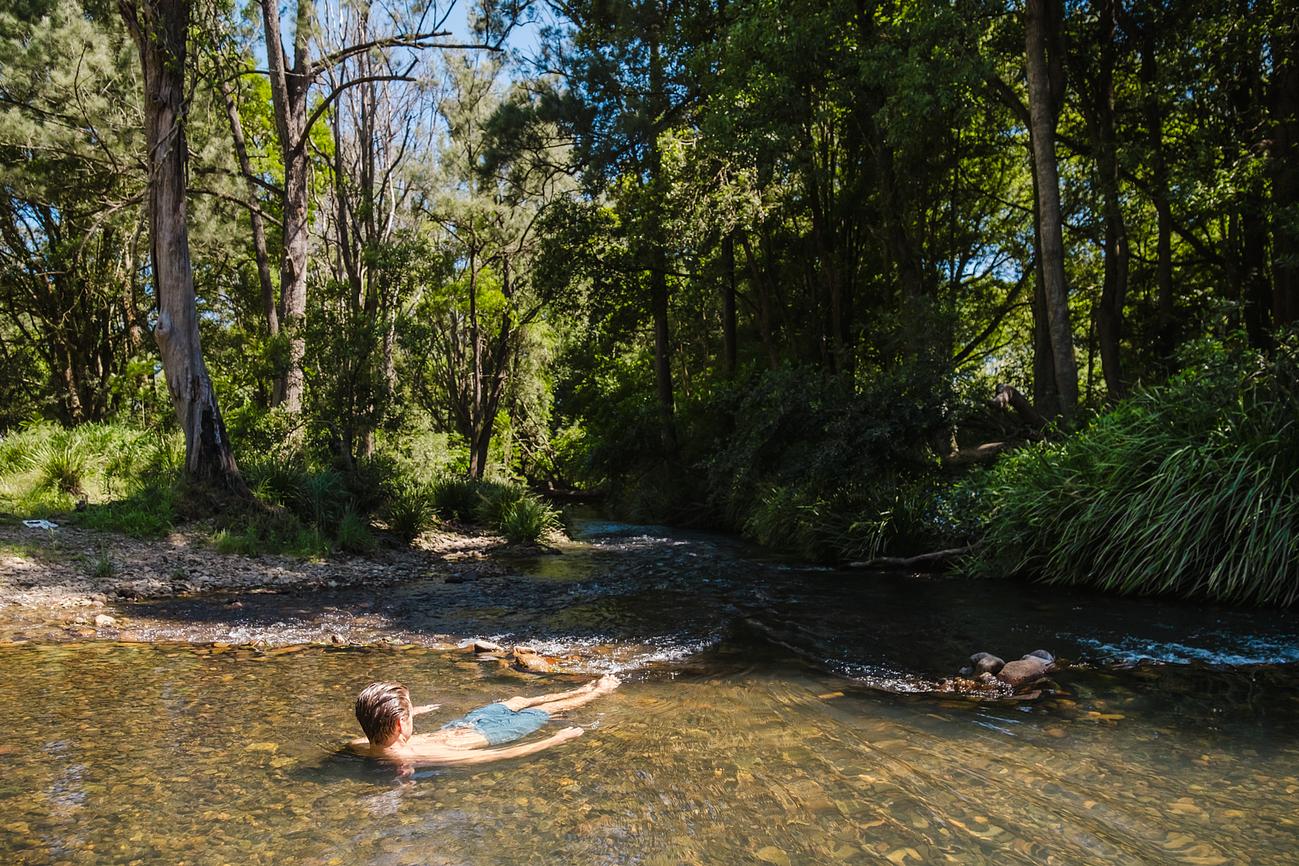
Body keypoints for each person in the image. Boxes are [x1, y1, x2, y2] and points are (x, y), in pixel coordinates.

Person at [350, 674, 621, 765]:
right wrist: (555, 739)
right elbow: (505, 754)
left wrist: (413, 713)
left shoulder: (360, 743)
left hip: (464, 725)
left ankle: (580, 689)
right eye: (411, 710)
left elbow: (372, 723)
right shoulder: (426, 756)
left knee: (514, 702)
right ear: (400, 724)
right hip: (496, 734)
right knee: (546, 712)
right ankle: (597, 691)